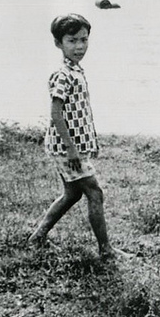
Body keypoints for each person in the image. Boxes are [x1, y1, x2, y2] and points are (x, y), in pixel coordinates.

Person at [29, 13, 115, 260]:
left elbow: (80, 113)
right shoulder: (63, 75)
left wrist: (91, 143)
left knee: (72, 193)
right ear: (59, 43)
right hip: (67, 148)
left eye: (84, 40)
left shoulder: (76, 71)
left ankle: (37, 237)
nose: (79, 46)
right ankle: (106, 250)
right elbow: (56, 113)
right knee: (94, 192)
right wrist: (73, 150)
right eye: (72, 40)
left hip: (73, 146)